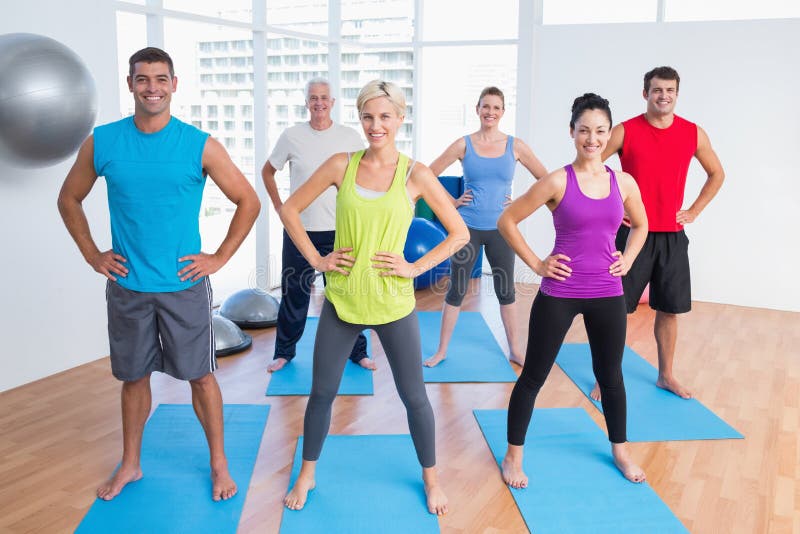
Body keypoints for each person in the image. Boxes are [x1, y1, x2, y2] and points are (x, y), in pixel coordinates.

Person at [57, 47, 260, 502]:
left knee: (201, 377)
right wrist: (92, 254)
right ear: (130, 84)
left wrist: (219, 257)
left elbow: (249, 200)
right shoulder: (103, 141)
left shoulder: (198, 144)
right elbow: (68, 198)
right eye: (143, 79)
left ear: (174, 84)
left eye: (160, 79)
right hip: (127, 285)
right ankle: (130, 463)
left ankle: (219, 463)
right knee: (133, 378)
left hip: (184, 286)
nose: (152, 88)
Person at [279, 80, 469, 515]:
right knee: (321, 393)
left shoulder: (416, 174)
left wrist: (415, 267)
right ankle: (307, 474)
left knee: (414, 397)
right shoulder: (341, 164)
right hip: (343, 299)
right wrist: (317, 259)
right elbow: (289, 209)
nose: (375, 125)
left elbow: (458, 233)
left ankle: (431, 479)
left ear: (400, 118)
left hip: (393, 303)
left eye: (385, 116)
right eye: (368, 116)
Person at [497, 93, 648, 488]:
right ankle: (513, 456)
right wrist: (537, 264)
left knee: (611, 376)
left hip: (607, 291)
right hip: (560, 292)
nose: (592, 139)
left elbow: (642, 225)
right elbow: (507, 220)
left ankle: (620, 450)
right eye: (584, 130)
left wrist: (629, 259)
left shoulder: (623, 182)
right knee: (533, 376)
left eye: (600, 131)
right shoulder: (557, 180)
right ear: (572, 132)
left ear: (608, 134)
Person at [591, 66, 725, 400]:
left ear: (677, 94)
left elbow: (717, 174)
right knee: (615, 308)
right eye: (657, 90)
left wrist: (694, 211)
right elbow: (591, 166)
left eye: (669, 90)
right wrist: (615, 205)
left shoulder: (693, 133)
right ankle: (606, 377)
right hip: (632, 233)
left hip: (672, 237)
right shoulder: (625, 131)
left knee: (669, 309)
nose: (663, 96)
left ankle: (666, 375)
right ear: (645, 93)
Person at [423, 87, 547, 368]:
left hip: (502, 229)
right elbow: (427, 175)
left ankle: (515, 350)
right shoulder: (463, 144)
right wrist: (453, 202)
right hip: (466, 228)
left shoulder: (515, 146)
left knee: (506, 290)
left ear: (503, 112)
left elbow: (546, 179)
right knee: (456, 289)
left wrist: (521, 203)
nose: (490, 112)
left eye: (496, 107)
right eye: (486, 106)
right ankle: (441, 351)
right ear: (477, 109)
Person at [262, 77, 375, 373]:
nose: (319, 103)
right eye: (314, 98)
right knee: (294, 293)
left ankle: (358, 352)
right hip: (300, 231)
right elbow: (267, 171)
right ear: (307, 103)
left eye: (324, 97)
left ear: (332, 102)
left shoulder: (349, 137)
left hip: (341, 230)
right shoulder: (292, 136)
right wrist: (279, 206)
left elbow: (365, 174)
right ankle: (284, 353)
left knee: (347, 294)